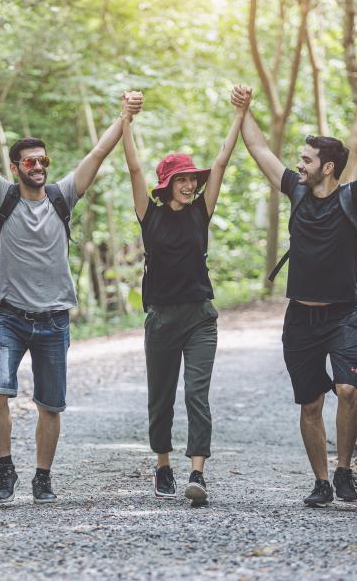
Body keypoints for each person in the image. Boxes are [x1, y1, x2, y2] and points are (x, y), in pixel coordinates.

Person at [0, 83, 143, 504]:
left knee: (50, 406)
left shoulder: (61, 197)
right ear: (16, 168)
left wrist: (124, 116)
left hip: (54, 320)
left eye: (43, 160)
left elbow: (97, 155)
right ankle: (4, 468)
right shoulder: (2, 196)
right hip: (10, 317)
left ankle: (42, 476)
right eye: (30, 161)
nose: (39, 166)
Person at [232, 83, 357, 507]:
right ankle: (321, 481)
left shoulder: (352, 198)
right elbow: (259, 149)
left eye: (307, 160)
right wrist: (244, 110)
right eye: (300, 159)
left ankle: (344, 471)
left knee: (348, 391)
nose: (298, 165)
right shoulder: (296, 192)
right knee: (310, 404)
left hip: (343, 315)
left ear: (329, 166)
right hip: (300, 318)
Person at [121, 89, 245, 507]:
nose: (191, 184)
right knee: (161, 396)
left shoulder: (201, 212)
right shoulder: (149, 215)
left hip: (199, 318)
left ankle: (198, 473)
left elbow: (225, 159)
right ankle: (163, 465)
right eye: (183, 179)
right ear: (167, 184)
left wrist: (239, 114)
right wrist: (126, 119)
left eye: (193, 178)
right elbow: (133, 165)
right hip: (160, 319)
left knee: (196, 393)